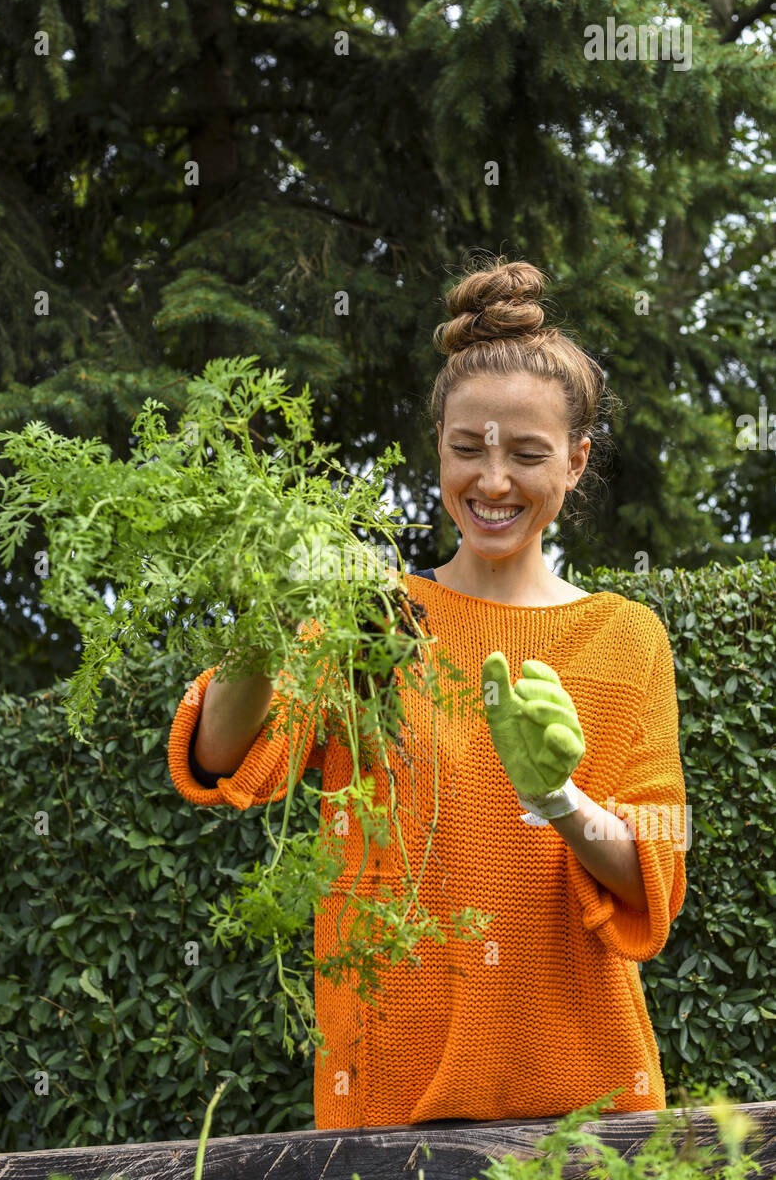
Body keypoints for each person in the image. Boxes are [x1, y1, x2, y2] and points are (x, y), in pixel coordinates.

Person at [167, 257, 687, 1130]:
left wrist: (556, 797)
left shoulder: (625, 638)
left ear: (576, 460)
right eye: (466, 449)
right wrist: (263, 626)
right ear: (436, 445)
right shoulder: (369, 617)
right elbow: (220, 761)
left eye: (526, 454)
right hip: (385, 1102)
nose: (491, 482)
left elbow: (652, 874)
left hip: (585, 1110)